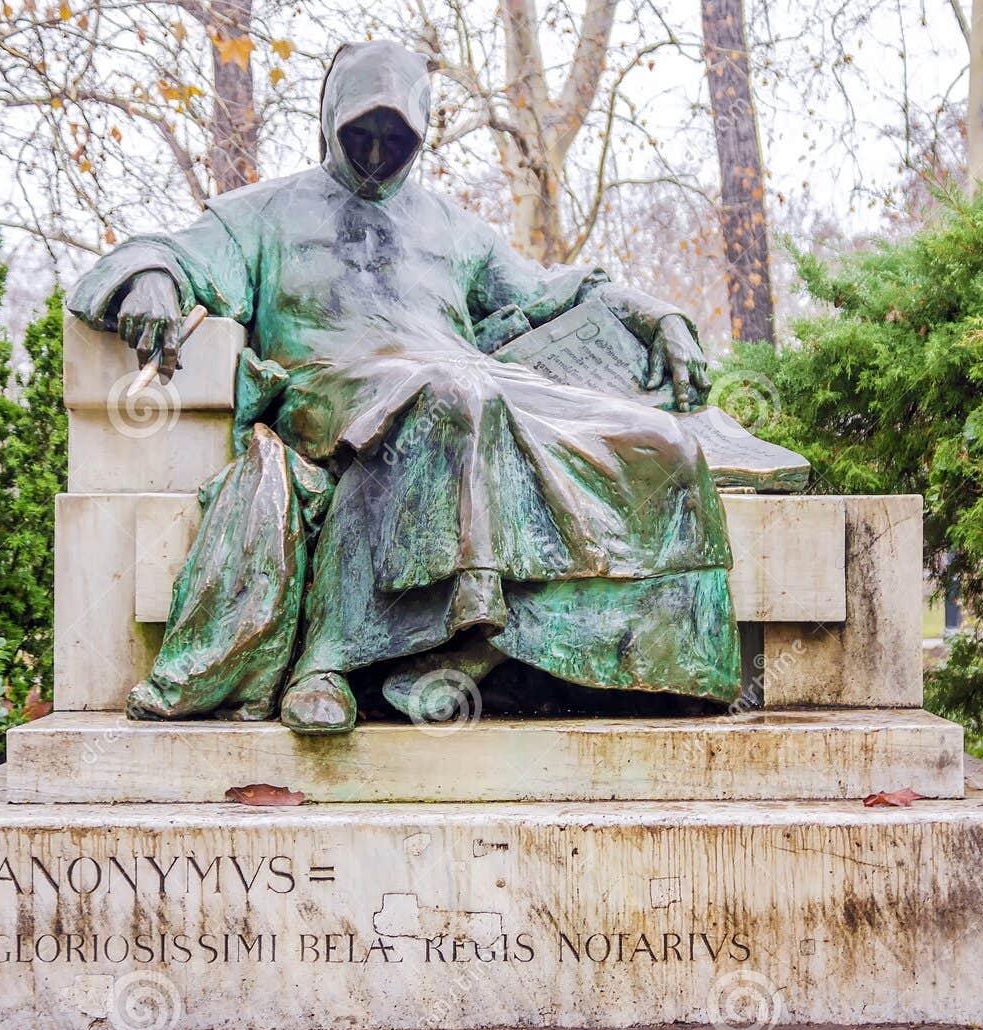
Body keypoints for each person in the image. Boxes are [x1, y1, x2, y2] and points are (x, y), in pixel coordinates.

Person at [66, 39, 739, 734]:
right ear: (329, 118)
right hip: (328, 387)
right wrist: (150, 280)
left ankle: (627, 662)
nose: (377, 152)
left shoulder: (453, 228)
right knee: (449, 396)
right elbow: (164, 251)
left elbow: (550, 290)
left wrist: (653, 314)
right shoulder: (262, 212)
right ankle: (332, 660)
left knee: (663, 443)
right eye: (361, 132)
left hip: (466, 382)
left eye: (397, 138)